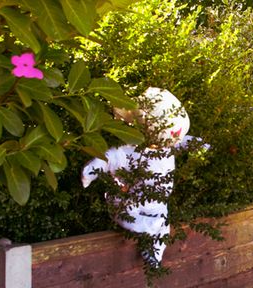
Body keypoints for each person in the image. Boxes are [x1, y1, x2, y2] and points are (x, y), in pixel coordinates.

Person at [82, 87, 203, 268]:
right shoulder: (130, 152)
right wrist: (90, 172)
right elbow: (109, 158)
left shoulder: (166, 147)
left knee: (162, 224)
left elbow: (181, 142)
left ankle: (155, 253)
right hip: (134, 200)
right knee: (126, 214)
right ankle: (146, 228)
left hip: (160, 202)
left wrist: (196, 144)